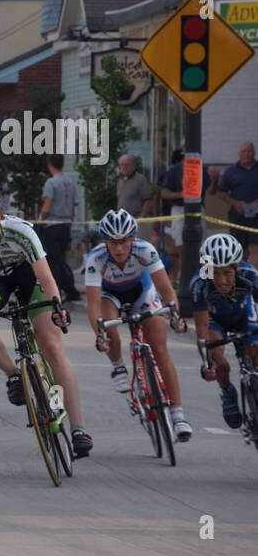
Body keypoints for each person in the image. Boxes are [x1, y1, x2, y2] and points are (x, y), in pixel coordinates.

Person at [0, 187, 93, 458]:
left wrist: (57, 308)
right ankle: (14, 375)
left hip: (30, 280)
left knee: (52, 346)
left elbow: (46, 277)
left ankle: (78, 429)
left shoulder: (21, 231)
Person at [83, 208, 192, 440]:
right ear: (105, 242)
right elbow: (92, 305)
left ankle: (178, 416)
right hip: (110, 295)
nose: (120, 248)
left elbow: (165, 290)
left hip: (142, 293)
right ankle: (118, 366)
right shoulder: (95, 258)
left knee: (160, 348)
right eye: (113, 243)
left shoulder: (145, 250)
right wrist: (99, 335)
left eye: (124, 242)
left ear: (133, 239)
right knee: (108, 323)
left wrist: (176, 317)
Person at [191, 233, 258, 428]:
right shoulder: (199, 284)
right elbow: (201, 329)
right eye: (215, 273)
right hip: (215, 320)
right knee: (216, 353)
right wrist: (207, 362)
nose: (221, 281)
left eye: (227, 273)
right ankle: (227, 391)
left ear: (237, 268)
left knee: (256, 350)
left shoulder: (250, 275)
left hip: (245, 314)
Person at [38, 154, 81, 303]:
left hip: (53, 225)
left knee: (53, 261)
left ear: (50, 164)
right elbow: (73, 207)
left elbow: (46, 207)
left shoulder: (51, 182)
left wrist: (40, 220)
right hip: (66, 224)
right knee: (61, 259)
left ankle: (56, 291)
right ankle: (71, 290)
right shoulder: (70, 182)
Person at [211, 141, 258, 267]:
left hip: (256, 216)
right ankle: (240, 274)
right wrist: (235, 203)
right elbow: (221, 193)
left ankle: (255, 276)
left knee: (255, 247)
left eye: (250, 151)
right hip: (237, 215)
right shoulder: (231, 171)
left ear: (254, 153)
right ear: (239, 154)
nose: (247, 154)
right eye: (244, 151)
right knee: (239, 248)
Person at [159, 148, 187, 275]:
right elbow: (160, 195)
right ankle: (176, 278)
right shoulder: (171, 173)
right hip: (170, 215)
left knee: (184, 250)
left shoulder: (197, 170)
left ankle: (179, 278)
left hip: (184, 214)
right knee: (174, 251)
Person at [116, 154, 154, 240]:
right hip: (123, 222)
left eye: (127, 164)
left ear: (133, 165)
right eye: (122, 165)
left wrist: (142, 218)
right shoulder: (120, 181)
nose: (124, 167)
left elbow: (148, 200)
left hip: (137, 221)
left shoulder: (141, 180)